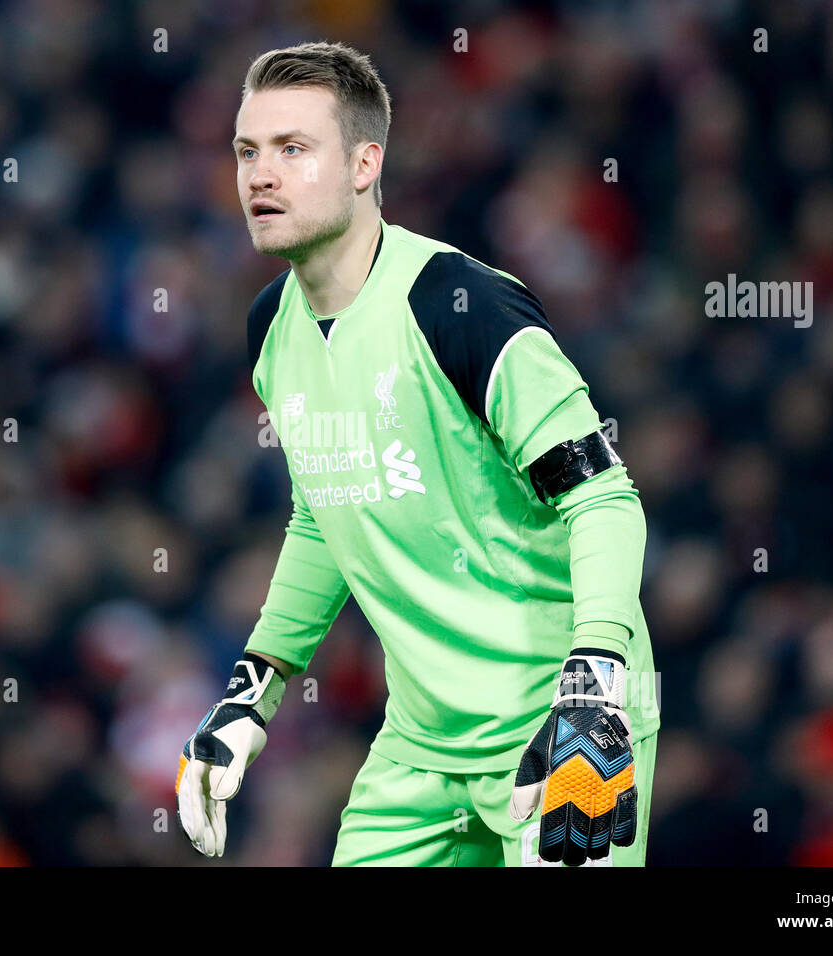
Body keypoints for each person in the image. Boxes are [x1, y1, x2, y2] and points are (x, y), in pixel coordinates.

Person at [175, 40, 660, 867]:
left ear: (366, 163)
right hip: (422, 746)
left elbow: (602, 497)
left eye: (294, 149)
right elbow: (324, 514)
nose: (261, 174)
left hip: (559, 723)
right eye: (248, 152)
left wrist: (593, 688)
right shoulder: (271, 330)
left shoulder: (462, 306)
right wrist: (251, 690)